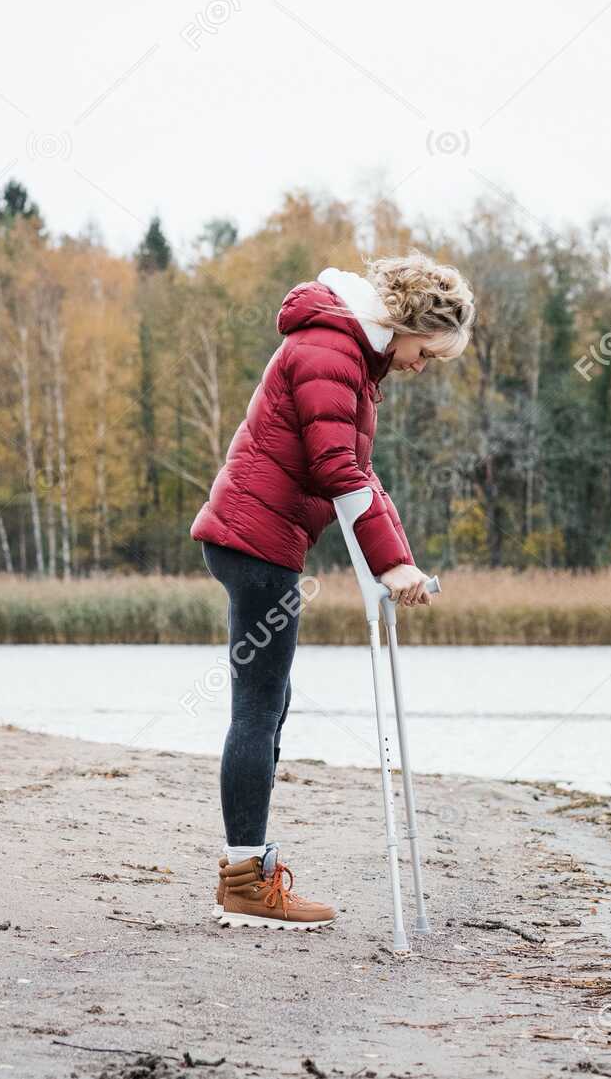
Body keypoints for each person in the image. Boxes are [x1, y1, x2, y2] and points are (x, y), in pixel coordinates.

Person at [190, 252, 475, 929]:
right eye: (426, 353)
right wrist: (389, 567)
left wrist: (396, 562)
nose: (419, 367)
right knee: (259, 707)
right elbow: (334, 466)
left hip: (259, 539)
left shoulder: (346, 350)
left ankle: (247, 872)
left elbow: (360, 472)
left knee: (268, 700)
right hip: (253, 541)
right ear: (404, 322)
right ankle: (245, 884)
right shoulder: (330, 348)